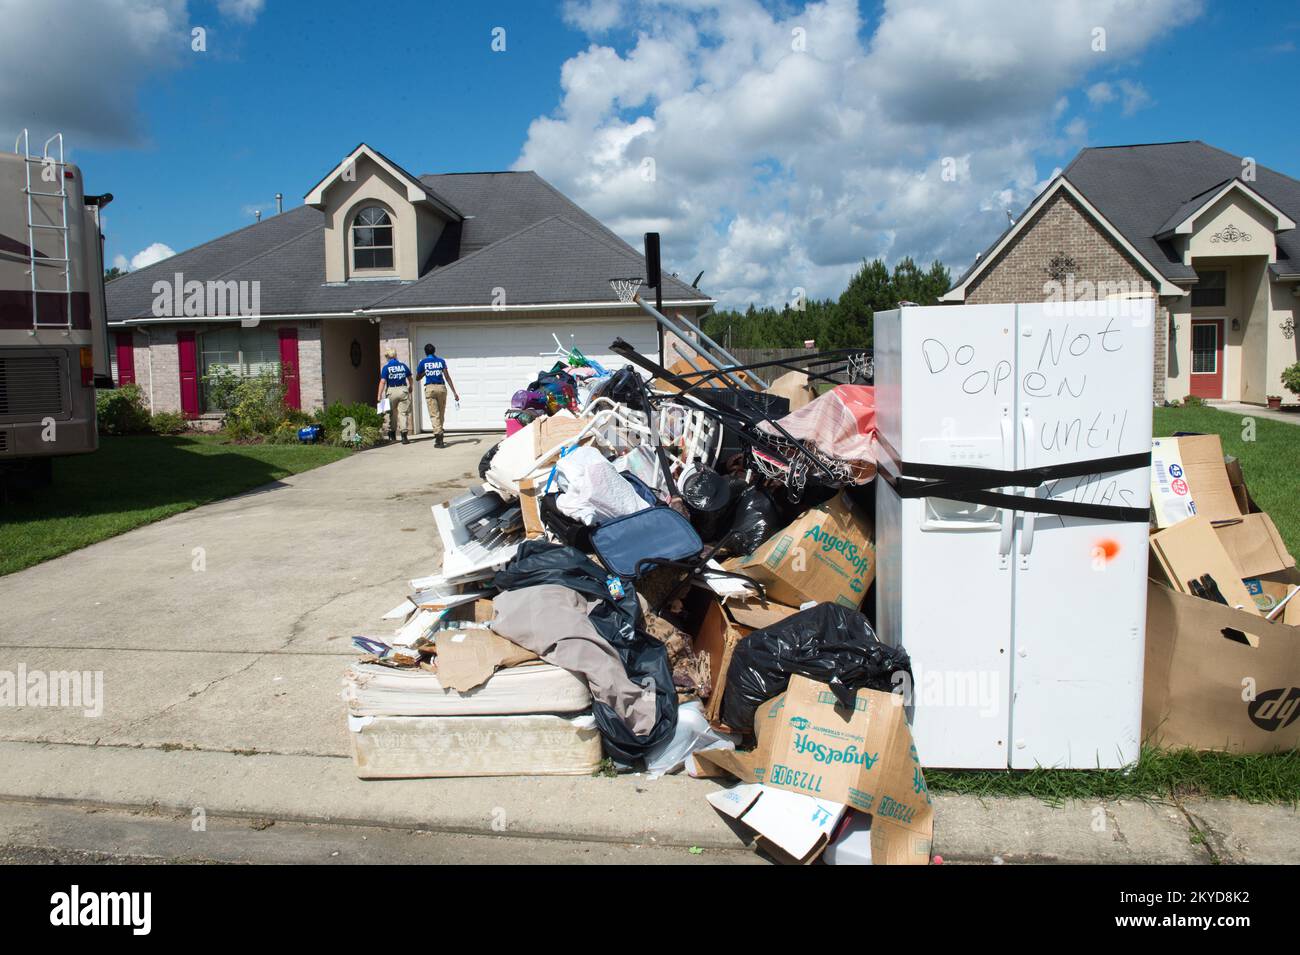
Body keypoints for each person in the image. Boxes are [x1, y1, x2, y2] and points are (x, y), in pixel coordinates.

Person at [415, 343, 460, 448]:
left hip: (430, 388)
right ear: (434, 351)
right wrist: (454, 392)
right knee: (441, 412)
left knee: (434, 413)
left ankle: (439, 438)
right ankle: (440, 432)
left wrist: (425, 373)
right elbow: (447, 377)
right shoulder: (441, 361)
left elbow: (417, 378)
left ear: (425, 352)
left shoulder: (423, 362)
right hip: (441, 388)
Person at [377, 347, 413, 444]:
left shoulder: (386, 367)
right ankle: (404, 436)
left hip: (391, 391)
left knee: (391, 413)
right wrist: (410, 387)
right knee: (403, 413)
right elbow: (410, 378)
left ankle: (392, 434)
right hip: (403, 390)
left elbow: (382, 382)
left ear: (388, 357)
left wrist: (379, 395)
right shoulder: (403, 366)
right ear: (395, 355)